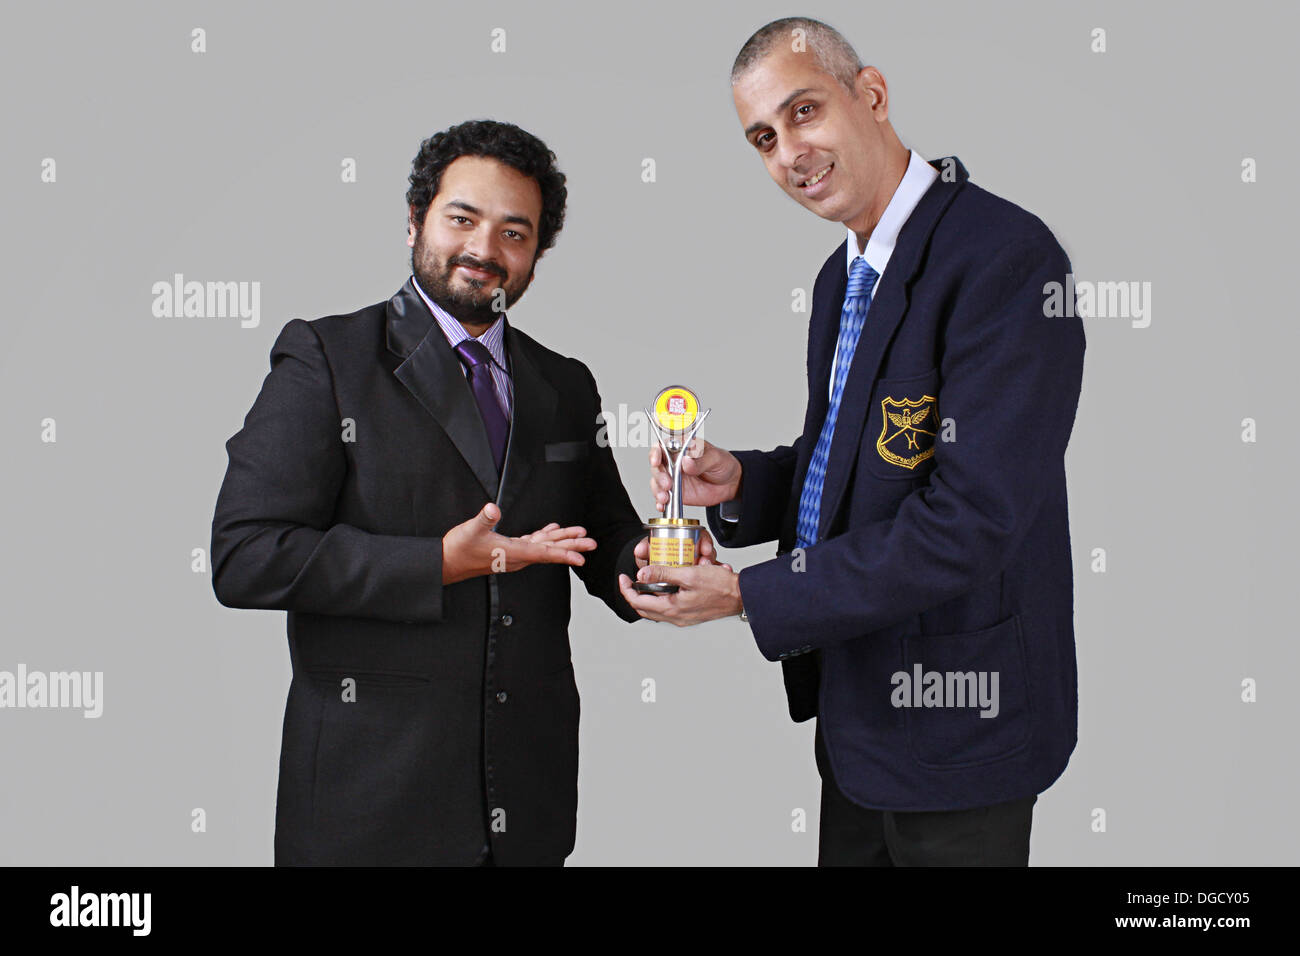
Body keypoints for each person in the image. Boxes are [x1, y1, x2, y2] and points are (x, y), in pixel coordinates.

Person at [619, 18, 1086, 866]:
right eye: (763, 137)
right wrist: (743, 484)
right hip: (858, 716)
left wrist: (751, 596)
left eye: (804, 111)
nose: (788, 151)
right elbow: (862, 457)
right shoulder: (843, 275)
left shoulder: (1007, 258)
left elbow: (972, 517)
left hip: (961, 728)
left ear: (870, 93)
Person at [210, 119, 709, 866]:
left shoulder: (565, 383)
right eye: (463, 219)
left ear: (537, 255)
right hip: (369, 806)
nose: (484, 249)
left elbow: (600, 534)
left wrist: (653, 559)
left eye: (515, 232)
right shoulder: (327, 357)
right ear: (415, 221)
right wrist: (437, 562)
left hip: (526, 802)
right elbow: (244, 555)